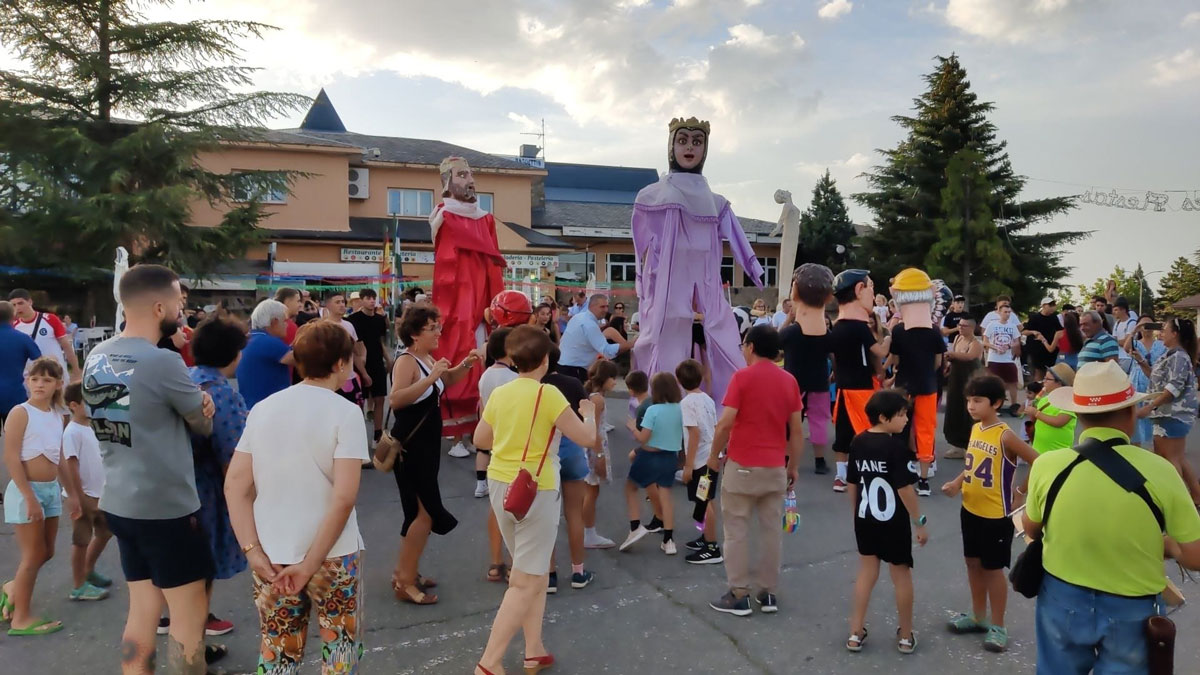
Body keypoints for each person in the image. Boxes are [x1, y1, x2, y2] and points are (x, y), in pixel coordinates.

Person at [1023, 360, 1200, 674]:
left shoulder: (1048, 465)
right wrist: (1167, 546)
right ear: (1131, 413)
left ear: (1078, 415)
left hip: (1062, 597)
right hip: (1132, 604)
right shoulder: (1161, 471)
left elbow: (1031, 527)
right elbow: (1195, 555)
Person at [82, 264, 217, 673]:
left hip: (120, 500)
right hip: (167, 507)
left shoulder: (97, 355)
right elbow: (203, 424)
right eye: (179, 302)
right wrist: (204, 407)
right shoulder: (163, 362)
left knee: (142, 608)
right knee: (189, 616)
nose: (181, 309)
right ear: (160, 307)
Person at [224, 321, 368, 674]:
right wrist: (310, 563)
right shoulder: (346, 413)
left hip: (272, 552)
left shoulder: (263, 409)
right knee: (340, 650)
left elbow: (235, 486)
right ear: (340, 363)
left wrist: (252, 550)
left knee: (278, 649)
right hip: (333, 553)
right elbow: (344, 497)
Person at [472, 325, 597, 675]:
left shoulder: (501, 393)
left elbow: (481, 438)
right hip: (536, 488)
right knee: (526, 579)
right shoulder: (549, 394)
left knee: (534, 572)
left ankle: (534, 649)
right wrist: (590, 412)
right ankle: (489, 663)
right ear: (545, 359)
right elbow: (586, 438)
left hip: (502, 483)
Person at [707, 325, 803, 617]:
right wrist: (793, 465)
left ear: (750, 346)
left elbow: (725, 423)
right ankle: (768, 591)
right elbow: (796, 430)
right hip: (775, 466)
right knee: (771, 531)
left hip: (743, 465)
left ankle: (739, 593)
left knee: (736, 529)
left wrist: (713, 456)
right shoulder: (789, 380)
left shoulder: (742, 377)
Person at [940, 374, 1039, 652]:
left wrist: (1020, 491)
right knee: (972, 563)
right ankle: (977, 615)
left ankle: (998, 625)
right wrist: (957, 482)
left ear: (996, 403)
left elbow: (1038, 461)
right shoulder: (976, 429)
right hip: (970, 508)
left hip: (995, 515)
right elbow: (972, 464)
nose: (971, 406)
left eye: (978, 400)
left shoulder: (1004, 435)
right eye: (968, 400)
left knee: (992, 569)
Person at [388, 303, 479, 604]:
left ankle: (406, 571)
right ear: (415, 334)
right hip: (411, 446)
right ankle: (404, 580)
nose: (439, 332)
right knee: (423, 515)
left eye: (438, 326)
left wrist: (465, 365)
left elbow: (444, 381)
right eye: (432, 328)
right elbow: (396, 400)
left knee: (417, 514)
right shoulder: (407, 361)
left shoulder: (425, 357)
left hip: (426, 446)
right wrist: (430, 377)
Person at [430, 157, 506, 458]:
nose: (470, 180)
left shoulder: (485, 218)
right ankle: (455, 437)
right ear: (448, 181)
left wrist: (495, 303)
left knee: (480, 364)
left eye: (470, 174)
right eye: (462, 175)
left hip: (481, 299)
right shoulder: (443, 214)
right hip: (456, 299)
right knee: (457, 358)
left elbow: (493, 263)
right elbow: (445, 262)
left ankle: (478, 431)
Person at [845, 389, 929, 655]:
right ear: (883, 417)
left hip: (865, 517)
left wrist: (856, 512)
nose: (906, 419)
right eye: (902, 414)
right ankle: (905, 635)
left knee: (866, 572)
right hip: (893, 521)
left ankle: (855, 631)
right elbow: (905, 489)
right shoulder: (896, 448)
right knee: (901, 575)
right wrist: (919, 522)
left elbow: (852, 482)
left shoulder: (858, 442)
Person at [187, 318, 252, 639]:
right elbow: (233, 458)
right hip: (207, 490)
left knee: (181, 566)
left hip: (176, 484)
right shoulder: (222, 394)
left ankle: (179, 623)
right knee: (203, 566)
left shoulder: (186, 380)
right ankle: (195, 636)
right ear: (232, 354)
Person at [2, 358, 71, 635]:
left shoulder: (57, 415)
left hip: (50, 489)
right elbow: (11, 457)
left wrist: (73, 494)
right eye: (35, 379)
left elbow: (60, 456)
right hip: (26, 490)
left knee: (47, 551)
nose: (40, 384)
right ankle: (20, 619)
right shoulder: (20, 412)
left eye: (47, 380)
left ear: (58, 384)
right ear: (27, 381)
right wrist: (29, 497)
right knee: (32, 555)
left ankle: (12, 587)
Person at [885, 268, 947, 495]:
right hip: (928, 386)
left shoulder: (899, 331)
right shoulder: (934, 331)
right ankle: (923, 480)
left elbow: (895, 359)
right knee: (925, 431)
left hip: (904, 387)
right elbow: (938, 362)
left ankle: (899, 474)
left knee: (900, 430)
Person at [543, 346, 598, 592]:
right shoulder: (572, 383)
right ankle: (578, 571)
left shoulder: (536, 386)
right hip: (573, 446)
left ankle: (550, 574)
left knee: (547, 517)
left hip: (547, 449)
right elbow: (583, 410)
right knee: (574, 513)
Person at [830, 270, 889, 493]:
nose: (873, 293)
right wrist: (889, 338)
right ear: (858, 289)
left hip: (843, 388)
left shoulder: (837, 326)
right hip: (862, 389)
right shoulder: (859, 327)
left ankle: (841, 475)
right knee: (867, 432)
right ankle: (867, 472)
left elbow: (834, 356)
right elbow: (879, 352)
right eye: (870, 286)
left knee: (842, 433)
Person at [779, 263, 836, 475]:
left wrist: (788, 318)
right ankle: (820, 460)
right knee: (819, 421)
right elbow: (834, 354)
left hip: (793, 383)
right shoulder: (827, 335)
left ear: (795, 292)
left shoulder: (791, 333)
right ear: (828, 297)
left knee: (790, 422)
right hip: (820, 381)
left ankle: (786, 458)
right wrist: (835, 372)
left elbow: (776, 341)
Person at [61, 382, 113, 601]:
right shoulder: (72, 432)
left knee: (105, 532)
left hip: (101, 494)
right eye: (88, 401)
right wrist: (78, 496)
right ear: (74, 406)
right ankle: (78, 585)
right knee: (81, 540)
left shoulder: (94, 426)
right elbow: (71, 465)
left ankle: (88, 569)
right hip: (84, 496)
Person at [623, 372, 684, 555]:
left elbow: (643, 438)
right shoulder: (679, 409)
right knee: (666, 496)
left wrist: (633, 428)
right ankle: (669, 540)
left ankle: (635, 526)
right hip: (670, 456)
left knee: (631, 488)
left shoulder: (653, 410)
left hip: (649, 455)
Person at [1140, 317, 1200, 505]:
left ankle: (1178, 502)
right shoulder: (1170, 355)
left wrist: (1149, 407)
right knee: (1177, 458)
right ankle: (1196, 495)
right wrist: (1141, 362)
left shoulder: (1179, 357)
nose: (1161, 333)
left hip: (1173, 414)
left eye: (1164, 330)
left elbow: (1173, 388)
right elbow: (1157, 378)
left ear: (1175, 334)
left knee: (1170, 458)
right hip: (1166, 413)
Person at [477, 327, 518, 582]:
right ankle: (514, 563)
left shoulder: (486, 376)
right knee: (517, 506)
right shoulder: (514, 378)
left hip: (495, 443)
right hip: (513, 444)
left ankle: (495, 562)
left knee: (496, 505)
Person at [677, 359, 721, 565]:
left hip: (700, 461)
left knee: (705, 502)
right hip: (711, 457)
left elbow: (694, 433)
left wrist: (688, 465)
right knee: (706, 500)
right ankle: (706, 537)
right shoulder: (707, 399)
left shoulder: (686, 404)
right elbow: (715, 427)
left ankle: (712, 548)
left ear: (679, 380)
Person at [582, 361, 620, 550]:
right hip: (594, 447)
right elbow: (594, 429)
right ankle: (589, 533)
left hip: (588, 446)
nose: (615, 382)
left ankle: (585, 531)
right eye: (612, 378)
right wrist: (599, 456)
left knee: (588, 490)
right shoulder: (598, 400)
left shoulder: (590, 396)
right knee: (592, 490)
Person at [347, 288, 392, 444]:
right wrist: (361, 365)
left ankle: (377, 435)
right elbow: (354, 346)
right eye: (368, 298)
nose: (372, 301)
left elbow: (380, 341)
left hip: (377, 361)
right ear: (361, 300)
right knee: (359, 401)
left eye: (374, 298)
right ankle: (356, 436)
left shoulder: (379, 319)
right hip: (360, 363)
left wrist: (388, 359)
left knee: (380, 398)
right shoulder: (353, 319)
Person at [9, 288, 81, 384]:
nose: (18, 308)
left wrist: (76, 370)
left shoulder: (50, 319)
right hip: (31, 376)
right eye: (14, 305)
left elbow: (66, 346)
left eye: (20, 303)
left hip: (55, 372)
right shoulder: (14, 326)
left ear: (30, 302)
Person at [235, 299, 295, 410]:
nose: (287, 325)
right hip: (270, 408)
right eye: (284, 321)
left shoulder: (251, 338)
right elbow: (301, 359)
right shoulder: (268, 342)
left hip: (251, 405)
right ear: (274, 322)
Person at [558, 294, 632, 382]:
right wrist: (631, 344)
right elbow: (607, 351)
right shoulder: (589, 324)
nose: (606, 310)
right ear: (592, 306)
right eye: (602, 307)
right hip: (574, 369)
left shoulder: (579, 317)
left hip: (565, 366)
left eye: (607, 306)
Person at [943, 318, 983, 458]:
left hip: (969, 379)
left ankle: (971, 445)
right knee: (954, 409)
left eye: (964, 325)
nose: (960, 327)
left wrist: (953, 355)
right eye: (959, 325)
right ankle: (957, 445)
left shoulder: (976, 343)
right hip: (956, 379)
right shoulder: (958, 338)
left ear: (971, 327)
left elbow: (970, 356)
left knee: (968, 413)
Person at [324, 292, 370, 409]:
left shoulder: (349, 325)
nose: (341, 305)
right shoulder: (323, 327)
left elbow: (354, 353)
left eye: (343, 302)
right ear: (328, 305)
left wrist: (364, 374)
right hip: (331, 380)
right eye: (337, 302)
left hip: (350, 378)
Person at [0, 301, 41, 427]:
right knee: (16, 434)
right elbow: (40, 362)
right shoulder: (23, 338)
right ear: (14, 316)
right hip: (14, 395)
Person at [1128, 315, 1167, 446]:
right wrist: (1134, 330)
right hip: (1137, 379)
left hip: (1154, 378)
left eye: (1149, 324)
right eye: (1143, 325)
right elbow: (1126, 347)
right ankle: (1137, 444)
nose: (1146, 328)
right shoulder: (1136, 343)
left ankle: (1155, 443)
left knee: (1154, 412)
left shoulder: (1160, 344)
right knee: (1136, 413)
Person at [1023, 363, 1077, 454]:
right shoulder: (1044, 399)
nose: (1044, 382)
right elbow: (1035, 420)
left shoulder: (1068, 401)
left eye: (1047, 379)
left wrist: (1036, 413)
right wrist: (1032, 411)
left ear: (1059, 383)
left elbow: (1059, 422)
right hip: (1038, 449)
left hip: (1058, 452)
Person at [982, 303, 1022, 415]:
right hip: (994, 358)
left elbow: (1017, 341)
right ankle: (993, 406)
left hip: (1008, 359)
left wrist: (1008, 346)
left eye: (1009, 312)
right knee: (994, 383)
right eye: (1005, 312)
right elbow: (985, 341)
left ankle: (1014, 406)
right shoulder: (992, 325)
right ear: (999, 312)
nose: (1007, 314)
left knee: (1013, 382)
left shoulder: (1012, 326)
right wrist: (995, 347)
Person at [1022, 297, 1062, 383]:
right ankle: (1037, 388)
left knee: (1051, 374)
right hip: (1037, 350)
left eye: (1053, 305)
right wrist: (1033, 332)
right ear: (1043, 306)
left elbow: (1060, 330)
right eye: (1050, 305)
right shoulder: (1035, 318)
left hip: (1051, 350)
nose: (1052, 307)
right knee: (1039, 372)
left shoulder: (1054, 317)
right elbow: (1024, 332)